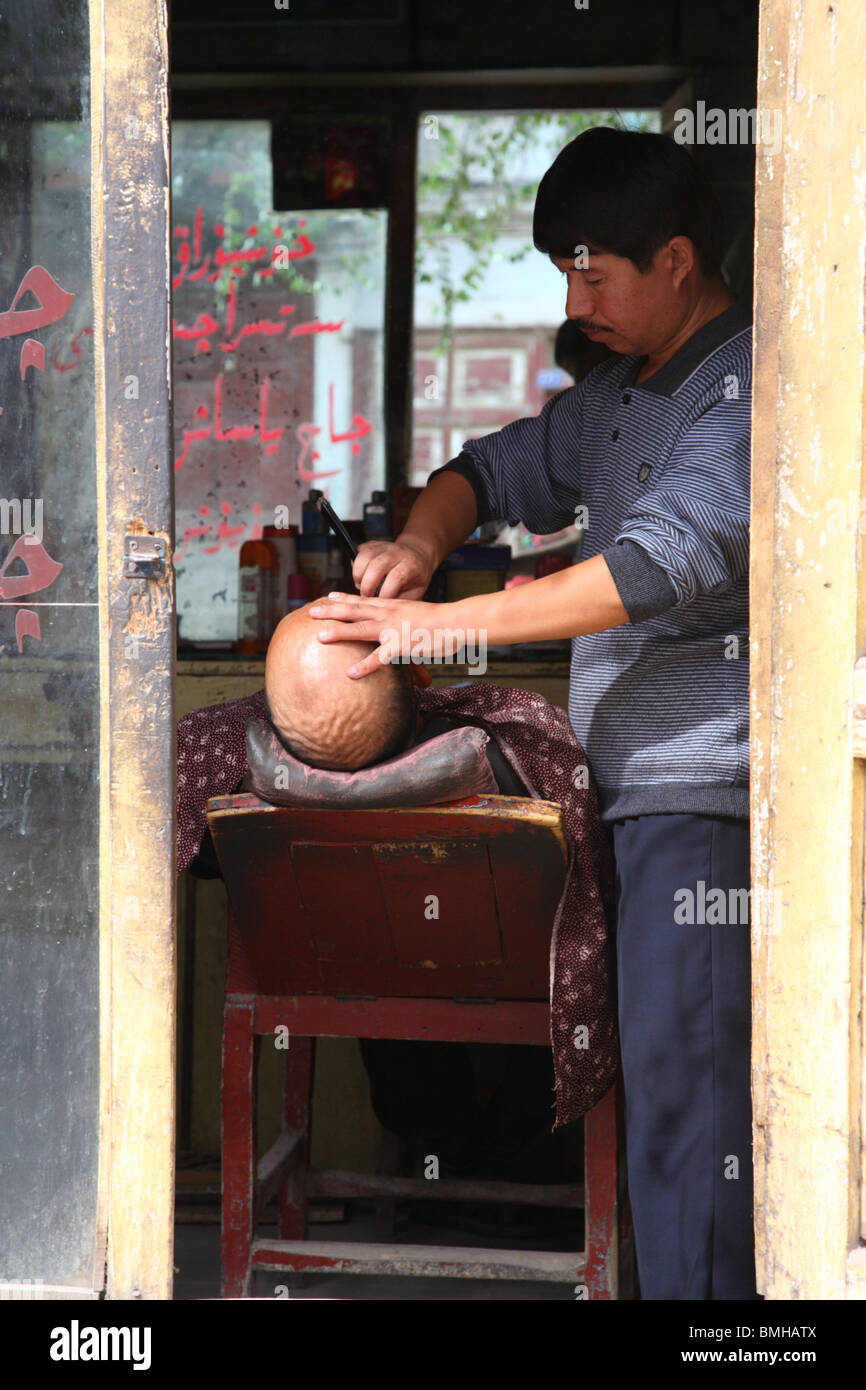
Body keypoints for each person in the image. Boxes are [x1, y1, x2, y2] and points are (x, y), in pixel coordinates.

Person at [308, 126, 756, 1301]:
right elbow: (491, 472)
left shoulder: (748, 384)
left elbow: (654, 568)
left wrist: (437, 631)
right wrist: (419, 539)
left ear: (675, 259)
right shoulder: (612, 398)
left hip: (702, 795)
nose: (575, 296)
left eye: (594, 273)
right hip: (629, 794)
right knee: (648, 1094)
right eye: (563, 270)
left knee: (687, 1098)